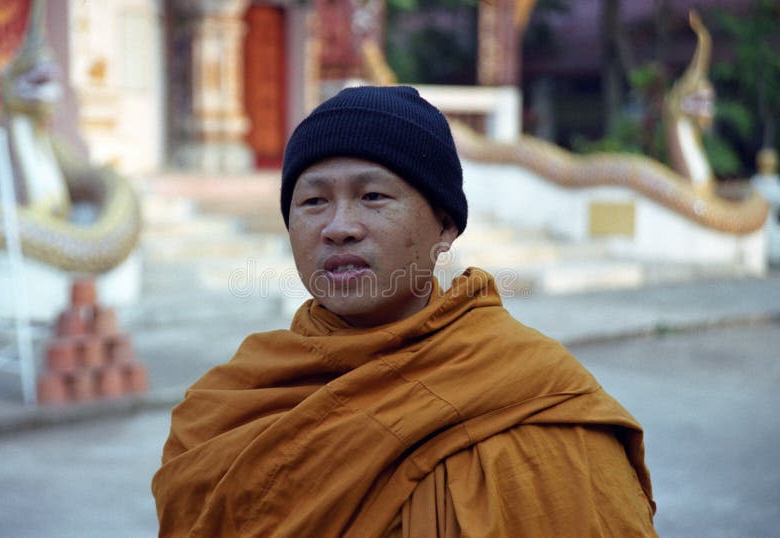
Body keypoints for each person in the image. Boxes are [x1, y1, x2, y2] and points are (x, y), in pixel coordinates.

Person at [152, 86, 657, 537]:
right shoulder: (227, 410)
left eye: (373, 196)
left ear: (445, 227)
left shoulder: (537, 397)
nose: (339, 227)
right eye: (313, 202)